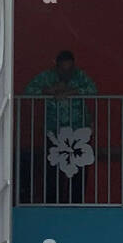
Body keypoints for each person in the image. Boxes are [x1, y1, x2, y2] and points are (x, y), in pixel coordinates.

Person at [21, 50, 98, 203]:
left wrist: (72, 92)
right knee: (53, 169)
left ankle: (77, 203)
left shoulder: (79, 76)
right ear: (57, 66)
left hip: (79, 131)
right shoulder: (47, 77)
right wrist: (48, 91)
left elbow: (93, 89)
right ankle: (52, 203)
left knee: (79, 169)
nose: (66, 71)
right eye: (63, 68)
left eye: (69, 67)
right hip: (54, 131)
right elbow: (28, 90)